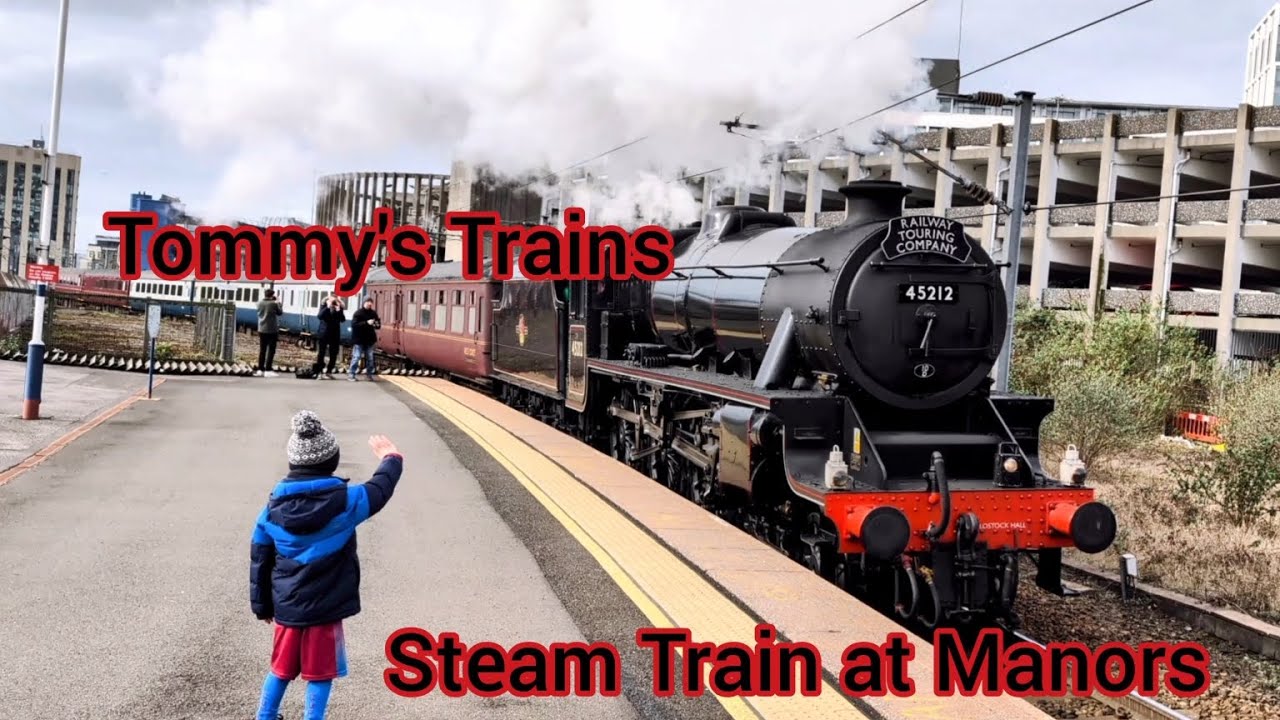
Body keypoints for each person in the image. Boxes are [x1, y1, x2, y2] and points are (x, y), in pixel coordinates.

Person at [250, 410, 403, 720]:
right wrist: (391, 458)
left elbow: (259, 562)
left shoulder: (269, 511)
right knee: (320, 675)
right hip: (326, 609)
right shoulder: (348, 502)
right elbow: (380, 488)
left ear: (293, 464)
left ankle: (265, 716)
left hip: (288, 609)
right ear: (331, 462)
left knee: (280, 668)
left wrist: (262, 607)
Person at [348, 298, 381, 381]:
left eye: (371, 302)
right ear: (364, 303)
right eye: (368, 302)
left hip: (369, 339)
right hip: (359, 339)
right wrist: (366, 323)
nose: (369, 304)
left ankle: (369, 374)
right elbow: (354, 325)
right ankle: (351, 374)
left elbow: (378, 325)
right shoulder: (358, 313)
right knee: (357, 357)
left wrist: (376, 324)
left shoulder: (373, 313)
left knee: (370, 358)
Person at [312, 296, 345, 379]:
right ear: (328, 301)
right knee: (321, 353)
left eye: (334, 301)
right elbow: (319, 316)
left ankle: (329, 371)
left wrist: (339, 310)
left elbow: (343, 319)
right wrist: (327, 307)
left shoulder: (338, 308)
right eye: (331, 301)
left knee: (333, 353)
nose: (333, 303)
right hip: (324, 333)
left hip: (335, 334)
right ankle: (319, 371)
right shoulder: (324, 307)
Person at [256, 288, 283, 377]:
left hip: (261, 329)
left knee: (262, 350)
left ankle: (260, 369)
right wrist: (278, 302)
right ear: (272, 295)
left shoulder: (259, 303)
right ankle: (268, 369)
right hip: (271, 330)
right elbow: (280, 313)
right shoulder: (273, 304)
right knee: (271, 350)